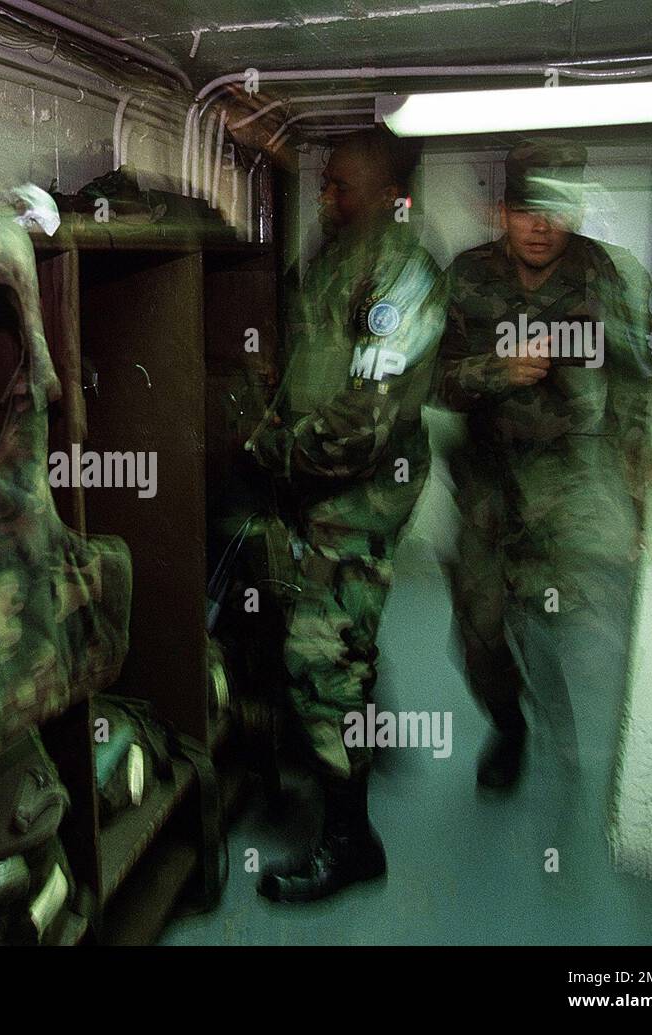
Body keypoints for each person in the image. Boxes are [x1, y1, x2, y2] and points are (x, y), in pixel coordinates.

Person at [435, 140, 652, 841]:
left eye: (556, 210)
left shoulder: (602, 273)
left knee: (552, 610)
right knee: (479, 631)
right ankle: (509, 725)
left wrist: (637, 452)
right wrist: (493, 371)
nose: (540, 226)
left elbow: (634, 372)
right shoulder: (468, 277)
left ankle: (558, 717)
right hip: (481, 478)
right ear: (501, 210)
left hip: (559, 478)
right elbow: (429, 379)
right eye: (525, 210)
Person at [246, 127, 447, 902]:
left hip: (360, 493)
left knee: (320, 651)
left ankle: (350, 842)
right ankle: (360, 700)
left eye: (341, 188)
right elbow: (306, 350)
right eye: (323, 184)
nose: (325, 198)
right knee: (337, 631)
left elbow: (364, 425)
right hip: (313, 483)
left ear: (386, 193)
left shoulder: (405, 278)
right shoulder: (332, 258)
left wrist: (269, 453)